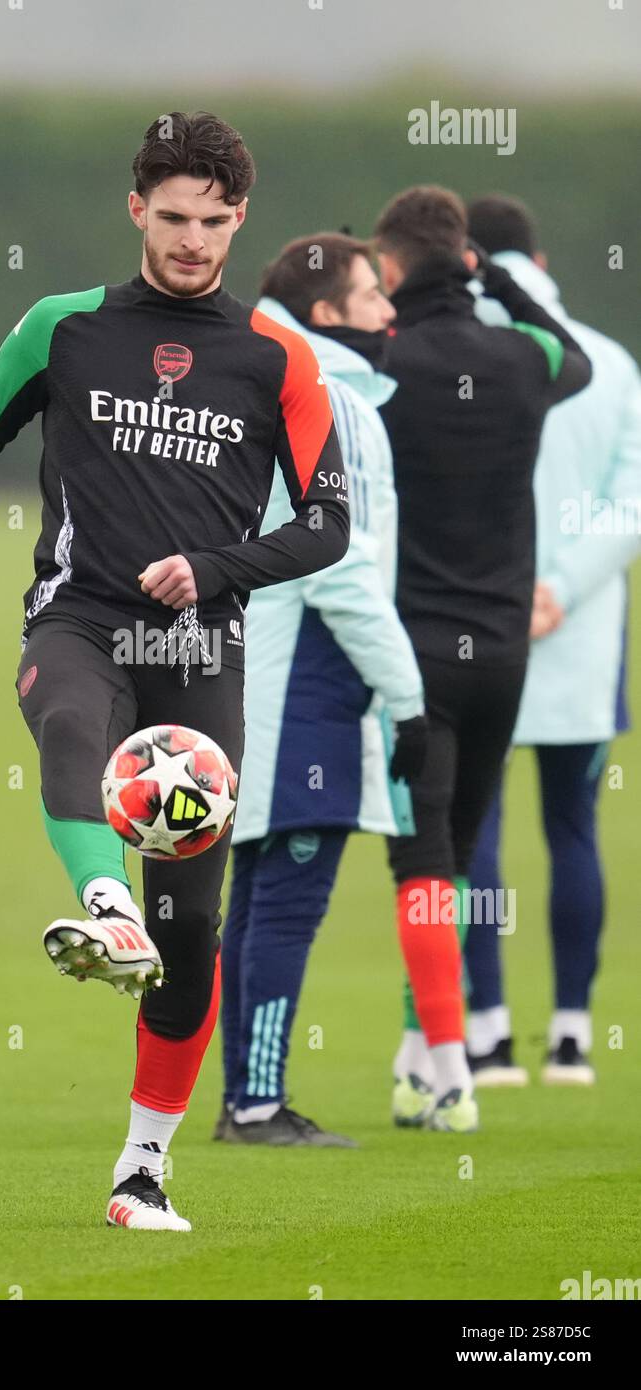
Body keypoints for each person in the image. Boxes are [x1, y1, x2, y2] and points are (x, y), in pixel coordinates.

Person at [0, 112, 350, 1231]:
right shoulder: (60, 329)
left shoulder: (279, 358)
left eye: (212, 221)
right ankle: (104, 903)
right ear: (136, 207)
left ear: (239, 218)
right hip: (80, 618)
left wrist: (213, 566)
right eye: (172, 216)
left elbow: (331, 526)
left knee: (193, 933)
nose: (192, 240)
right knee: (65, 720)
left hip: (200, 649)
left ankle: (142, 1169)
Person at [373, 186, 592, 1132]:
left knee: (422, 861)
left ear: (389, 269)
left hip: (408, 651)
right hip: (504, 651)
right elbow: (573, 356)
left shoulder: (382, 364)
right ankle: (423, 1059)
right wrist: (502, 281)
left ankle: (453, 1070)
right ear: (467, 264)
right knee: (457, 858)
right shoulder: (522, 356)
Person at [215, 233, 426, 1146]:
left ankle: (246, 1099)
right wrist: (409, 695)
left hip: (262, 674)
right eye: (373, 294)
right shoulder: (331, 397)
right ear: (329, 312)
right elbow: (342, 568)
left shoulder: (269, 380)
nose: (390, 310)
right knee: (284, 906)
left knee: (256, 898)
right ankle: (256, 1104)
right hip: (312, 684)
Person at [462, 193, 641, 1087]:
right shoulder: (609, 362)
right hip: (581, 630)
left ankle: (487, 1032)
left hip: (474, 626)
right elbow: (631, 507)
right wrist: (562, 589)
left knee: (477, 833)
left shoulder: (463, 357)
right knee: (575, 828)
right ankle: (573, 1033)